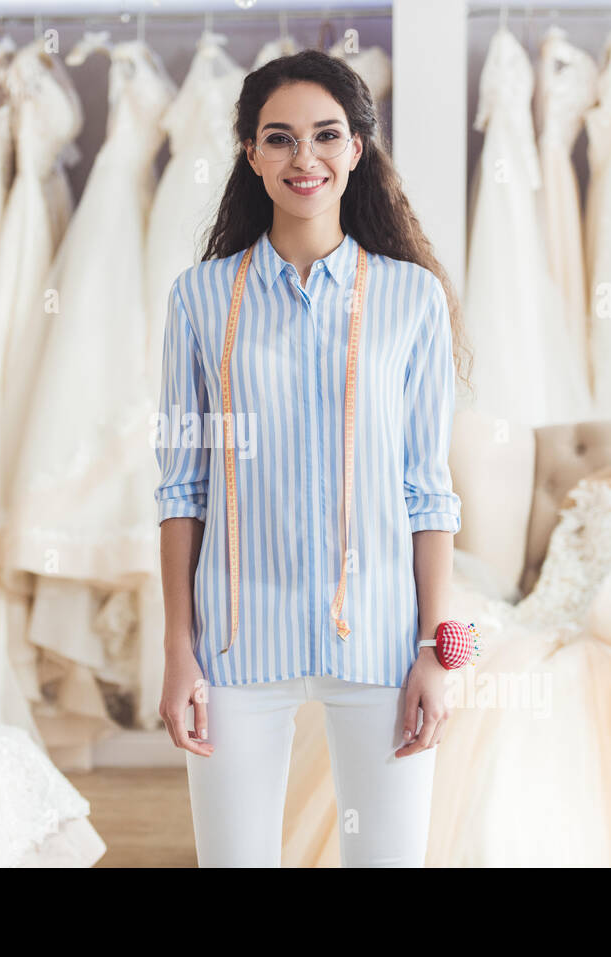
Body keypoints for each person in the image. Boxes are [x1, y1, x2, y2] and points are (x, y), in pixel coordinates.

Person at [154, 49, 471, 867]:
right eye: (280, 138)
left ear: (356, 149)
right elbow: (182, 488)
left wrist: (437, 650)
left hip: (381, 639)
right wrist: (178, 649)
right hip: (233, 644)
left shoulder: (412, 298)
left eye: (327, 135)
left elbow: (428, 493)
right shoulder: (199, 299)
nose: (306, 157)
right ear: (251, 154)